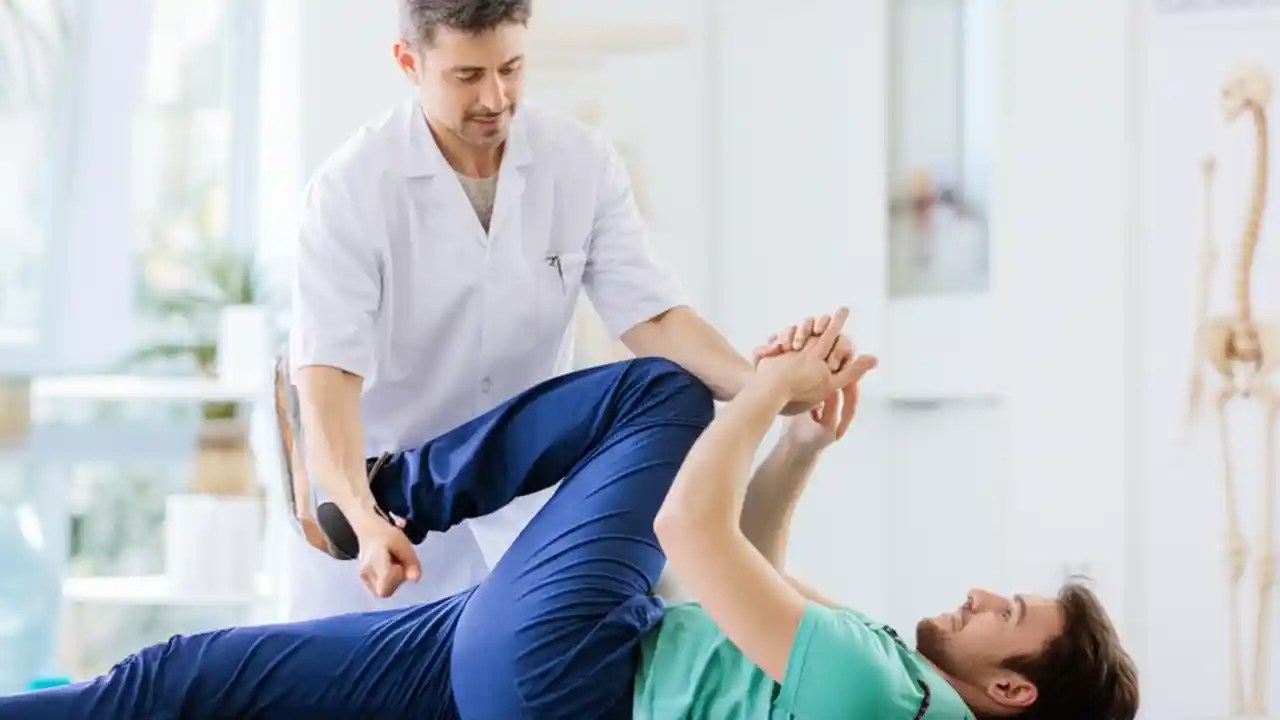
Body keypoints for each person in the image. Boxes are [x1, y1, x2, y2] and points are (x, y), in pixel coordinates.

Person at [1, 310, 1140, 719]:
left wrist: (751, 396)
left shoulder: (880, 695)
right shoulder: (887, 686)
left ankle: (379, 495)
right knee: (179, 683)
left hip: (569, 672)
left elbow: (691, 538)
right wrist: (799, 437)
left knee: (659, 392)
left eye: (1014, 613)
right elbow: (758, 573)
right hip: (518, 677)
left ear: (1011, 689)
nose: (990, 592)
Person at [282, 0, 848, 620]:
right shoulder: (351, 190)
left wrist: (768, 386)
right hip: (383, 524)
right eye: (466, 76)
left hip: (523, 526)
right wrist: (363, 519)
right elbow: (327, 384)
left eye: (511, 68)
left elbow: (653, 318)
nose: (495, 98)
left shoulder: (579, 161)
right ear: (408, 63)